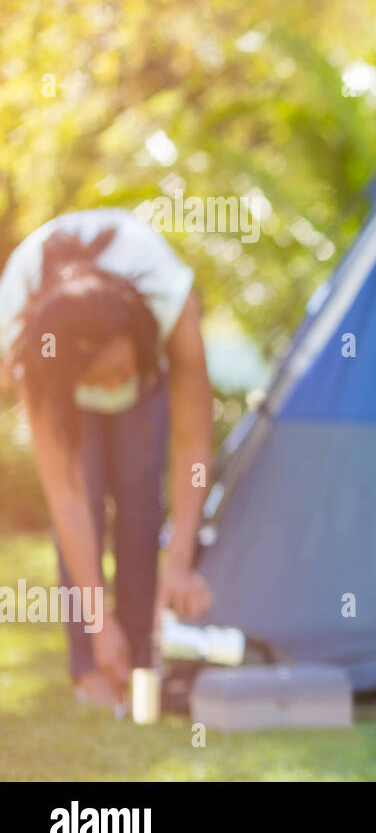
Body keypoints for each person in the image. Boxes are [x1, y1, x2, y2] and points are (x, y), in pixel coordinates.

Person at [0, 208, 214, 708]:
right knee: (86, 504)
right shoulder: (31, 341)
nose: (112, 389)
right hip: (57, 385)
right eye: (100, 380)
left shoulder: (168, 302)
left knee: (141, 501)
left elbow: (194, 447)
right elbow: (67, 496)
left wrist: (179, 561)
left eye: (118, 373)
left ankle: (141, 660)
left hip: (148, 373)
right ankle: (93, 663)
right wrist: (99, 622)